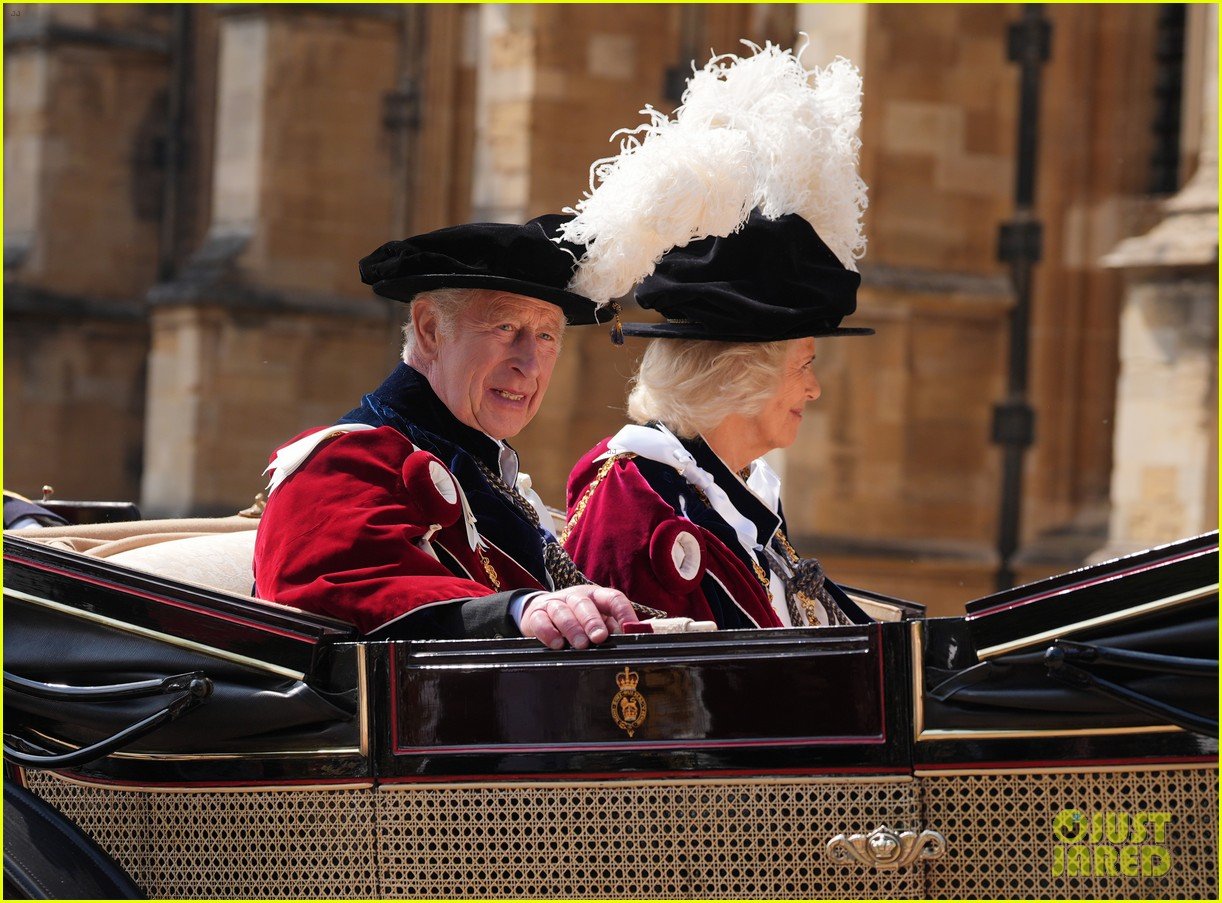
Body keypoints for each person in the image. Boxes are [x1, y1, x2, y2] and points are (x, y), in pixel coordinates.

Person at [254, 215, 639, 648]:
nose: (529, 365)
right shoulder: (346, 460)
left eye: (547, 336)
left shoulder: (494, 476)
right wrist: (520, 611)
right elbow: (339, 588)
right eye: (505, 327)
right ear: (430, 330)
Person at [562, 211, 873, 630]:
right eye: (803, 367)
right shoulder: (636, 500)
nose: (815, 389)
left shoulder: (735, 491)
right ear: (739, 377)